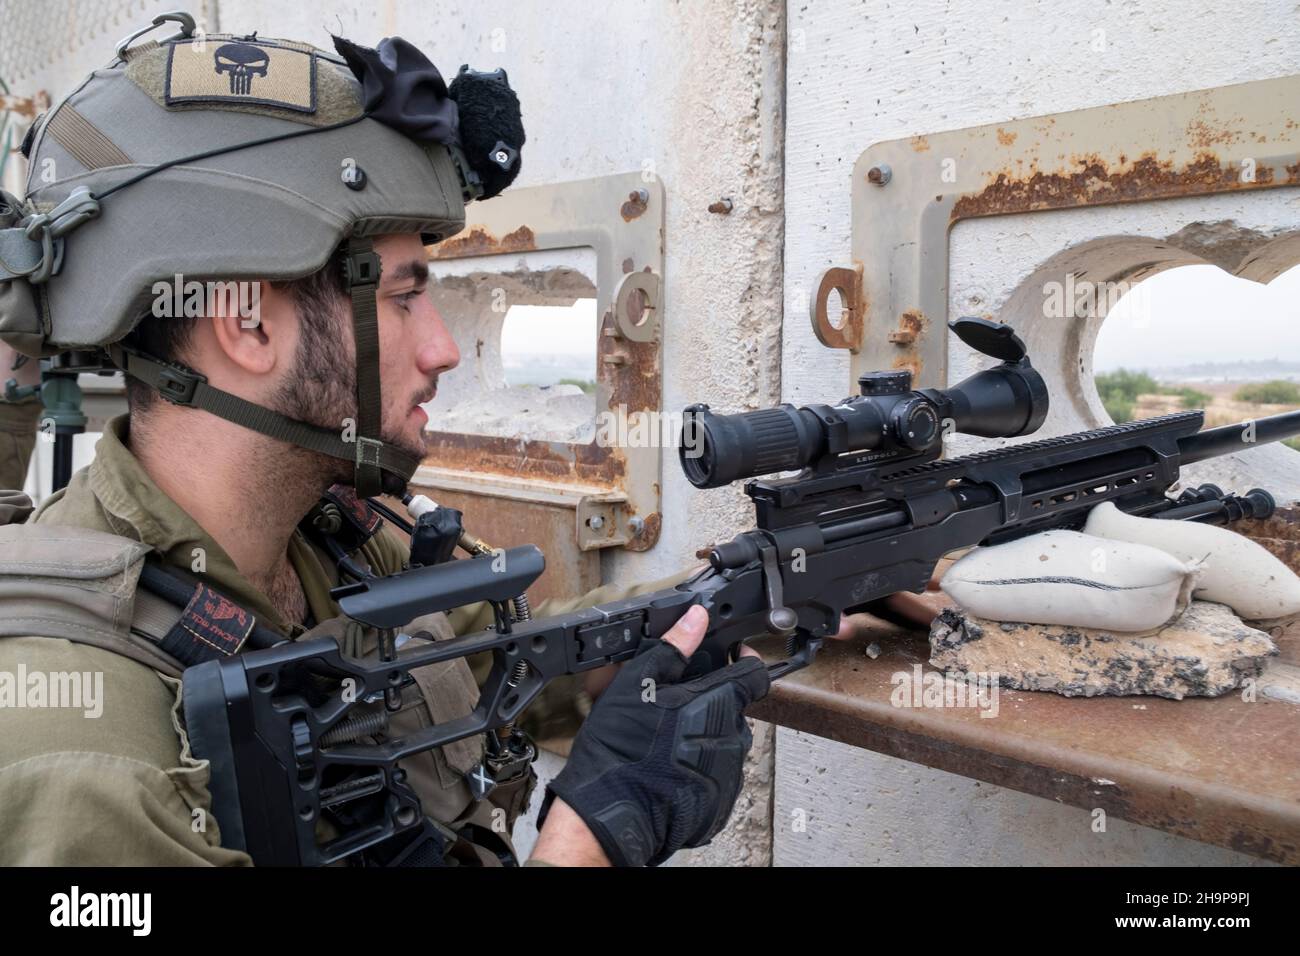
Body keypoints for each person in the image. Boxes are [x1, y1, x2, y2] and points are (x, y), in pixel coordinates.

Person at [0, 17, 911, 867]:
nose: (441, 347)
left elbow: (504, 659)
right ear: (244, 322)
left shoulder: (331, 540)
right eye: (402, 295)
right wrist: (588, 840)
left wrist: (798, 573)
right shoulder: (85, 758)